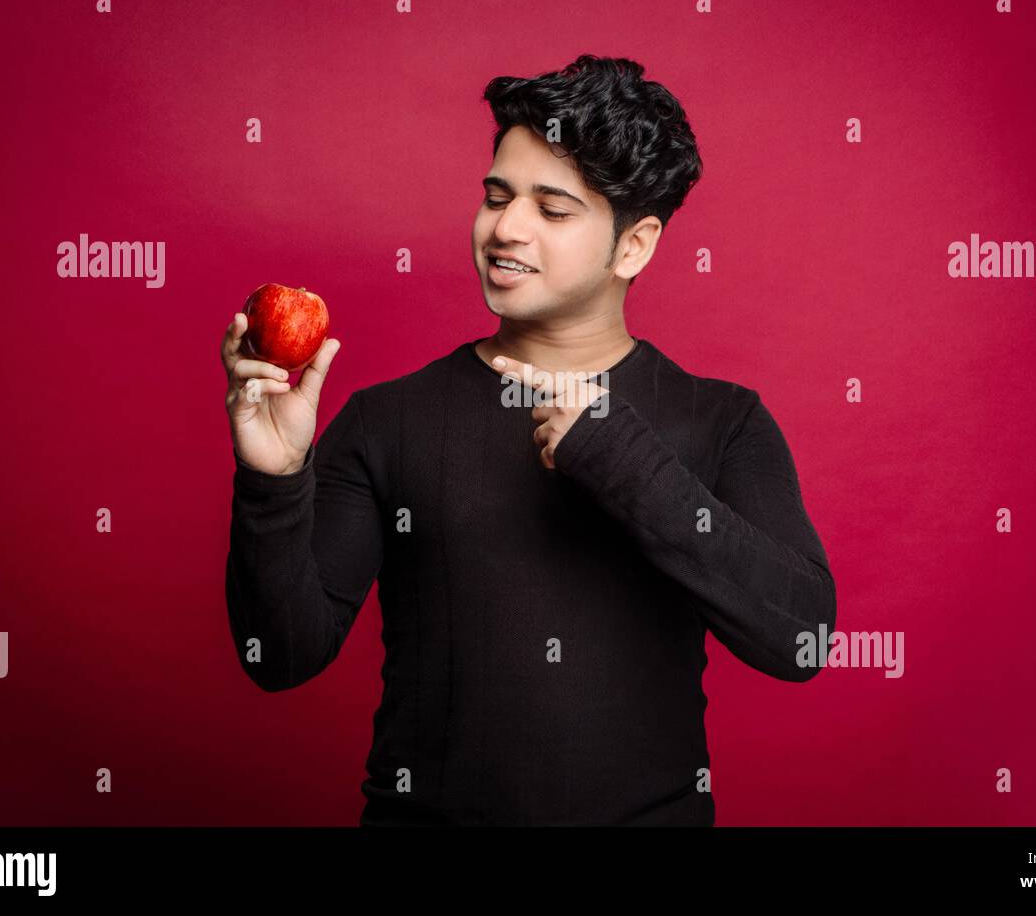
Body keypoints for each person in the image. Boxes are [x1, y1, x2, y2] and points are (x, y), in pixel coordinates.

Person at [219, 54, 836, 826]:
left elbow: (802, 640)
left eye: (552, 208)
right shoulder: (390, 419)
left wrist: (620, 457)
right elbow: (278, 659)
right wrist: (273, 482)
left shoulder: (724, 421)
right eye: (495, 196)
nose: (504, 228)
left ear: (633, 246)